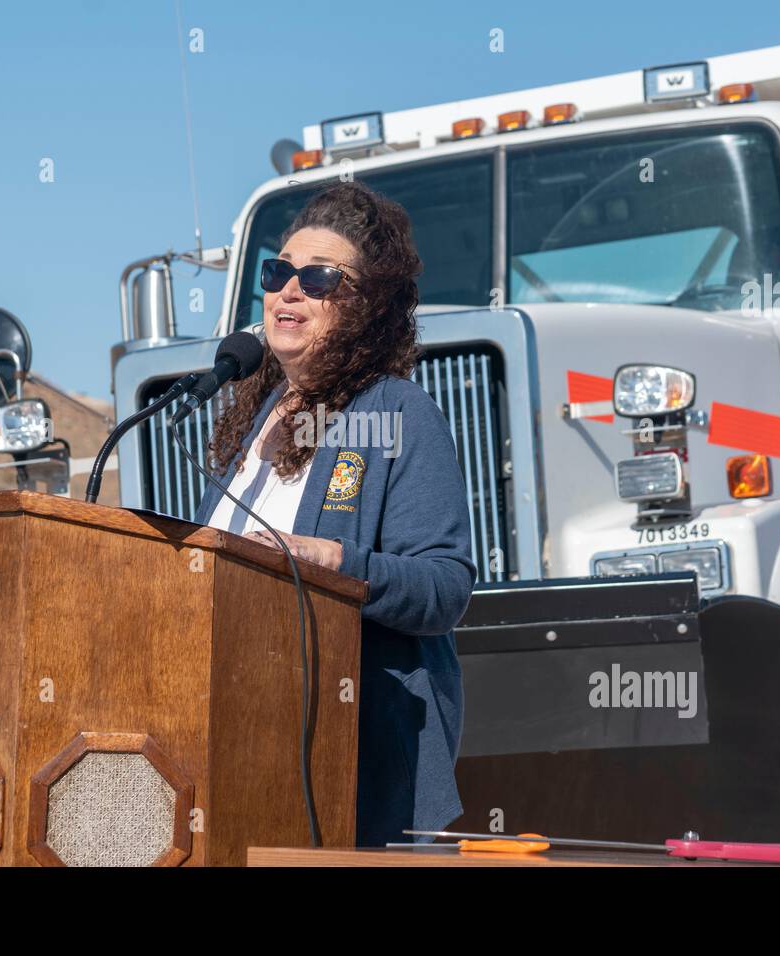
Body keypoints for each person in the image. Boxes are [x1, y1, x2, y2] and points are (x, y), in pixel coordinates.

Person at [194, 181, 476, 846]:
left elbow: (444, 589)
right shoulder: (249, 424)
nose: (289, 290)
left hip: (356, 766)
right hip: (241, 758)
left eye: (318, 277)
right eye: (278, 271)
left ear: (367, 306)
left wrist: (335, 563)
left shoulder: (400, 414)